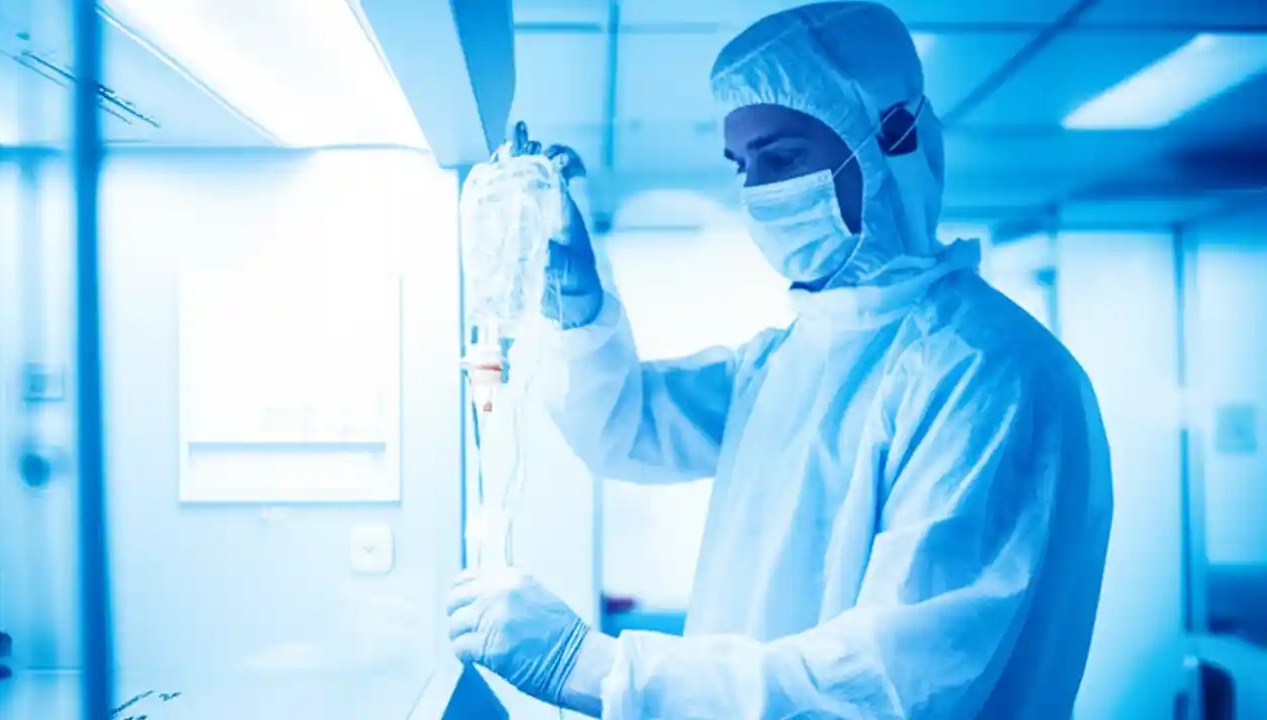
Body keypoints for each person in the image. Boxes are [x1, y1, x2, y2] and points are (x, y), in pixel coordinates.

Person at [447, 3, 1113, 718]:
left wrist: (591, 666)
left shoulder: (988, 372)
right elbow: (626, 425)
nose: (758, 191)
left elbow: (891, 684)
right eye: (743, 166)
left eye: (783, 158)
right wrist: (575, 299)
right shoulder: (788, 359)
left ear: (893, 142)